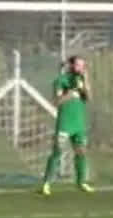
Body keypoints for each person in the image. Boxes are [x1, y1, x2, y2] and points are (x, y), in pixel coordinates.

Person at [39, 55, 92, 195]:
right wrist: (70, 94)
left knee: (81, 151)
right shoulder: (60, 81)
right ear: (71, 66)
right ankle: (46, 183)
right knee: (58, 151)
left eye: (83, 65)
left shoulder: (81, 80)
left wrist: (85, 81)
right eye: (78, 65)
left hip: (79, 123)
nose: (81, 68)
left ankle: (81, 182)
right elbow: (57, 102)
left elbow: (88, 98)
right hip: (65, 123)